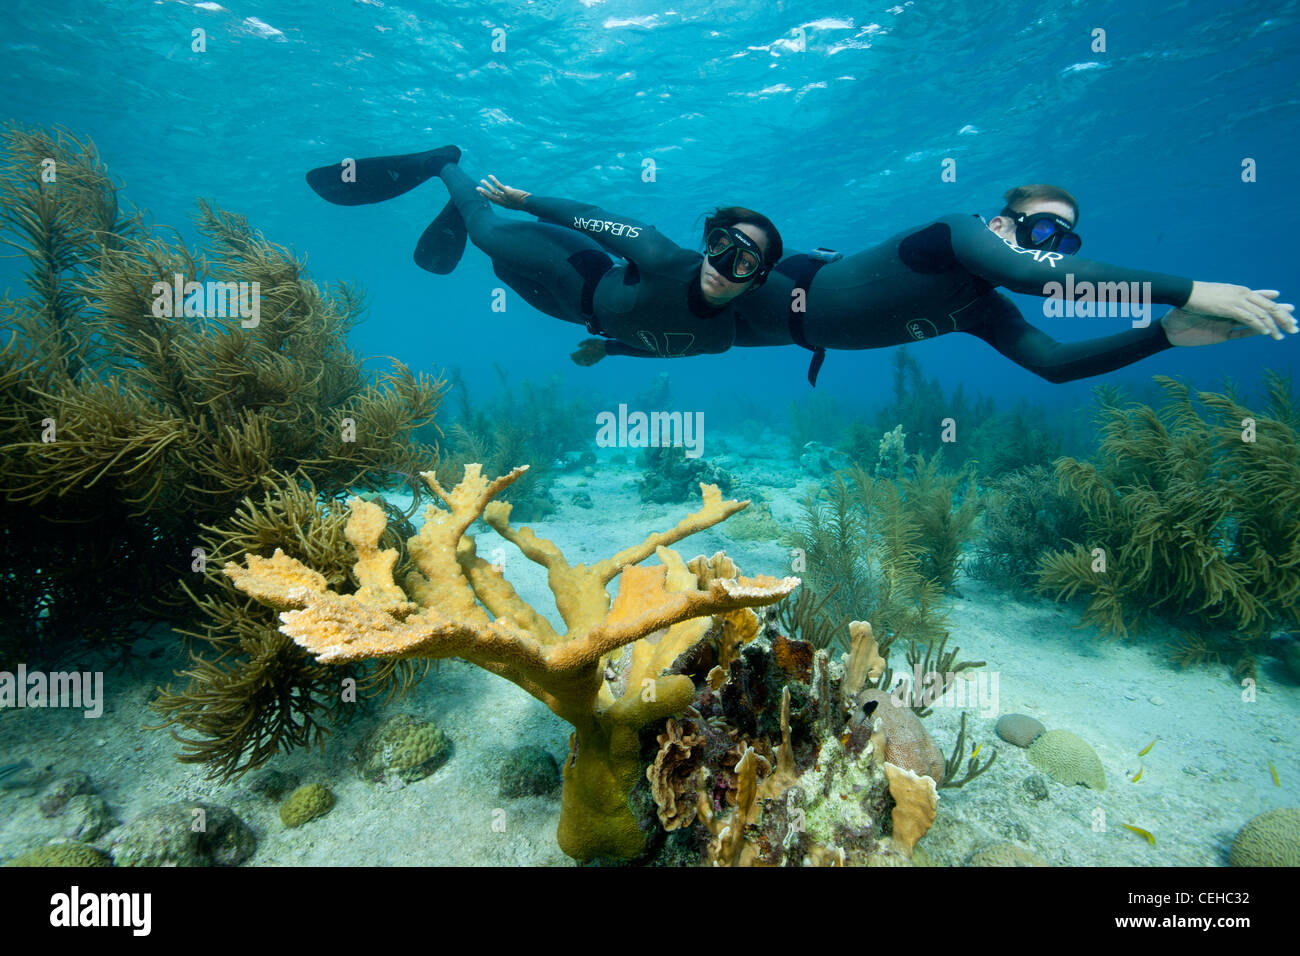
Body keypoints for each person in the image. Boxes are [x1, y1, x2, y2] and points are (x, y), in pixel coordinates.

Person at [679, 183, 1293, 384]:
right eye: (1045, 230)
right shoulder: (955, 231)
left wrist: (1166, 332)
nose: (1051, 250)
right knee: (630, 294)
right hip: (773, 285)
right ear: (1000, 224)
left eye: (1065, 243)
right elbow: (1028, 273)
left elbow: (1052, 363)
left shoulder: (981, 307)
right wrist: (1188, 288)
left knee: (654, 339)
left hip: (778, 336)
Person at [305, 146, 782, 359]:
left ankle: (461, 200)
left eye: (742, 262)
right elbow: (593, 218)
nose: (723, 267)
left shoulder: (721, 340)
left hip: (568, 313)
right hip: (573, 265)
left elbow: (666, 347)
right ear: (707, 244)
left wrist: (610, 350)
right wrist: (527, 202)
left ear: (757, 279)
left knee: (495, 265)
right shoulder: (663, 258)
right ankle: (443, 166)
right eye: (720, 247)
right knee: (488, 235)